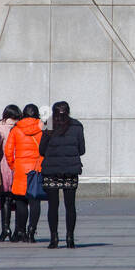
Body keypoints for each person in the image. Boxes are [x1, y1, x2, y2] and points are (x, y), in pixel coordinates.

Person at [38, 101, 85, 248]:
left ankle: (54, 239)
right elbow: (82, 149)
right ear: (68, 112)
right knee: (70, 206)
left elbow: (41, 150)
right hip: (70, 170)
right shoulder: (77, 125)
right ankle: (70, 238)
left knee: (53, 206)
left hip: (52, 170)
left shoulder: (49, 125)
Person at [3, 104, 45, 242]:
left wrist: (13, 165)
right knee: (35, 201)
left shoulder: (16, 129)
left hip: (21, 169)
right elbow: (46, 148)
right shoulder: (42, 128)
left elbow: (8, 151)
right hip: (37, 168)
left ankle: (20, 231)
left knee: (21, 201)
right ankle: (32, 230)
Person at [0, 105, 21, 241]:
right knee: (20, 199)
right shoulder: (20, 127)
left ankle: (6, 229)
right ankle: (19, 230)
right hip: (19, 166)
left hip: (3, 165)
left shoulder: (0, 128)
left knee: (5, 198)